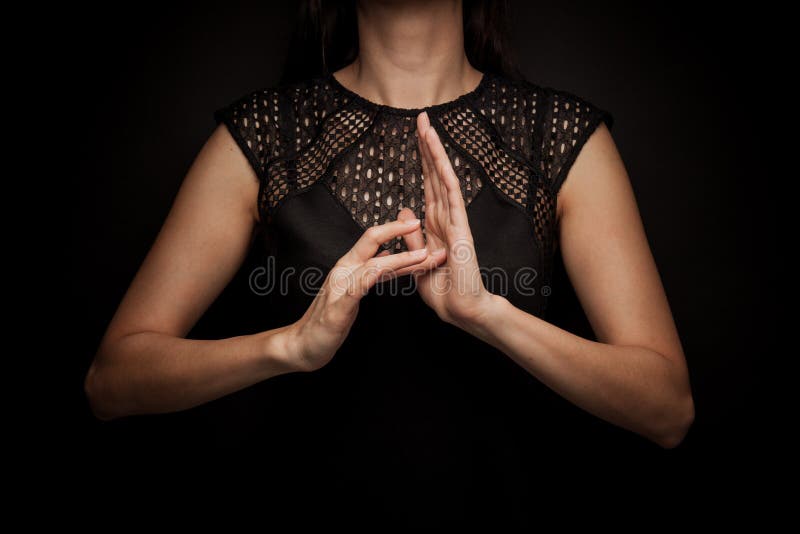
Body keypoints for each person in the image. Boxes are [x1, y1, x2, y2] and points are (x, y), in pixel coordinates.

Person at [85, 0, 694, 522]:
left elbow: (667, 411)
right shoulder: (265, 136)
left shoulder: (561, 138)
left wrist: (487, 314)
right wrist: (289, 347)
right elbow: (112, 383)